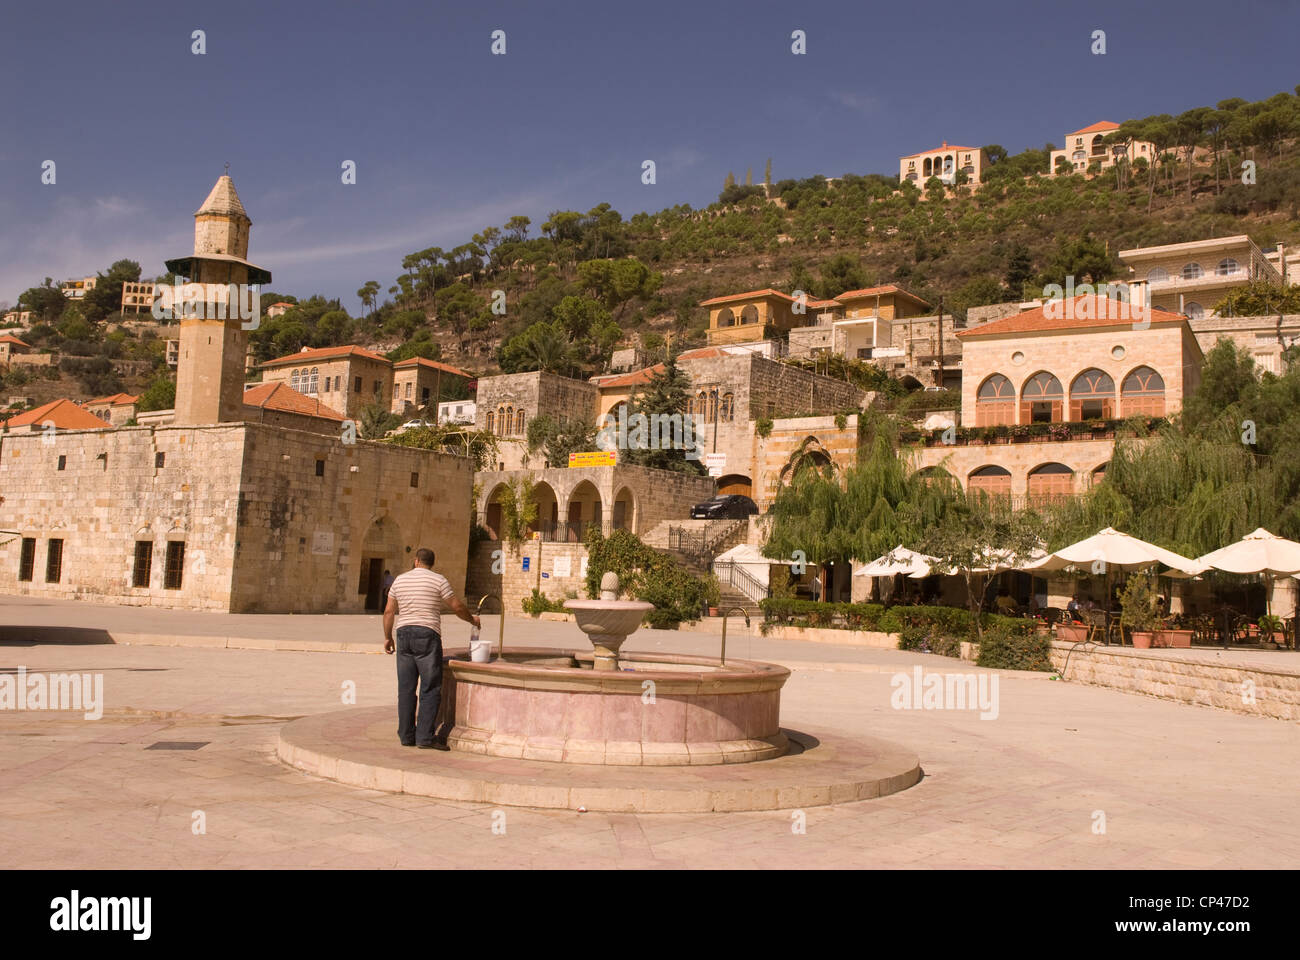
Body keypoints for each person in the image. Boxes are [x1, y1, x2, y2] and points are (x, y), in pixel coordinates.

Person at [383, 548, 479, 750]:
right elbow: (457, 607)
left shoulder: (399, 580)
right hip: (427, 634)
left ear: (416, 561)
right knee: (430, 687)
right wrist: (473, 620)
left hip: (404, 634)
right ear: (431, 563)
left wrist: (387, 637)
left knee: (406, 688)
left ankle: (406, 735)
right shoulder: (438, 580)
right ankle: (425, 737)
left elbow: (389, 611)